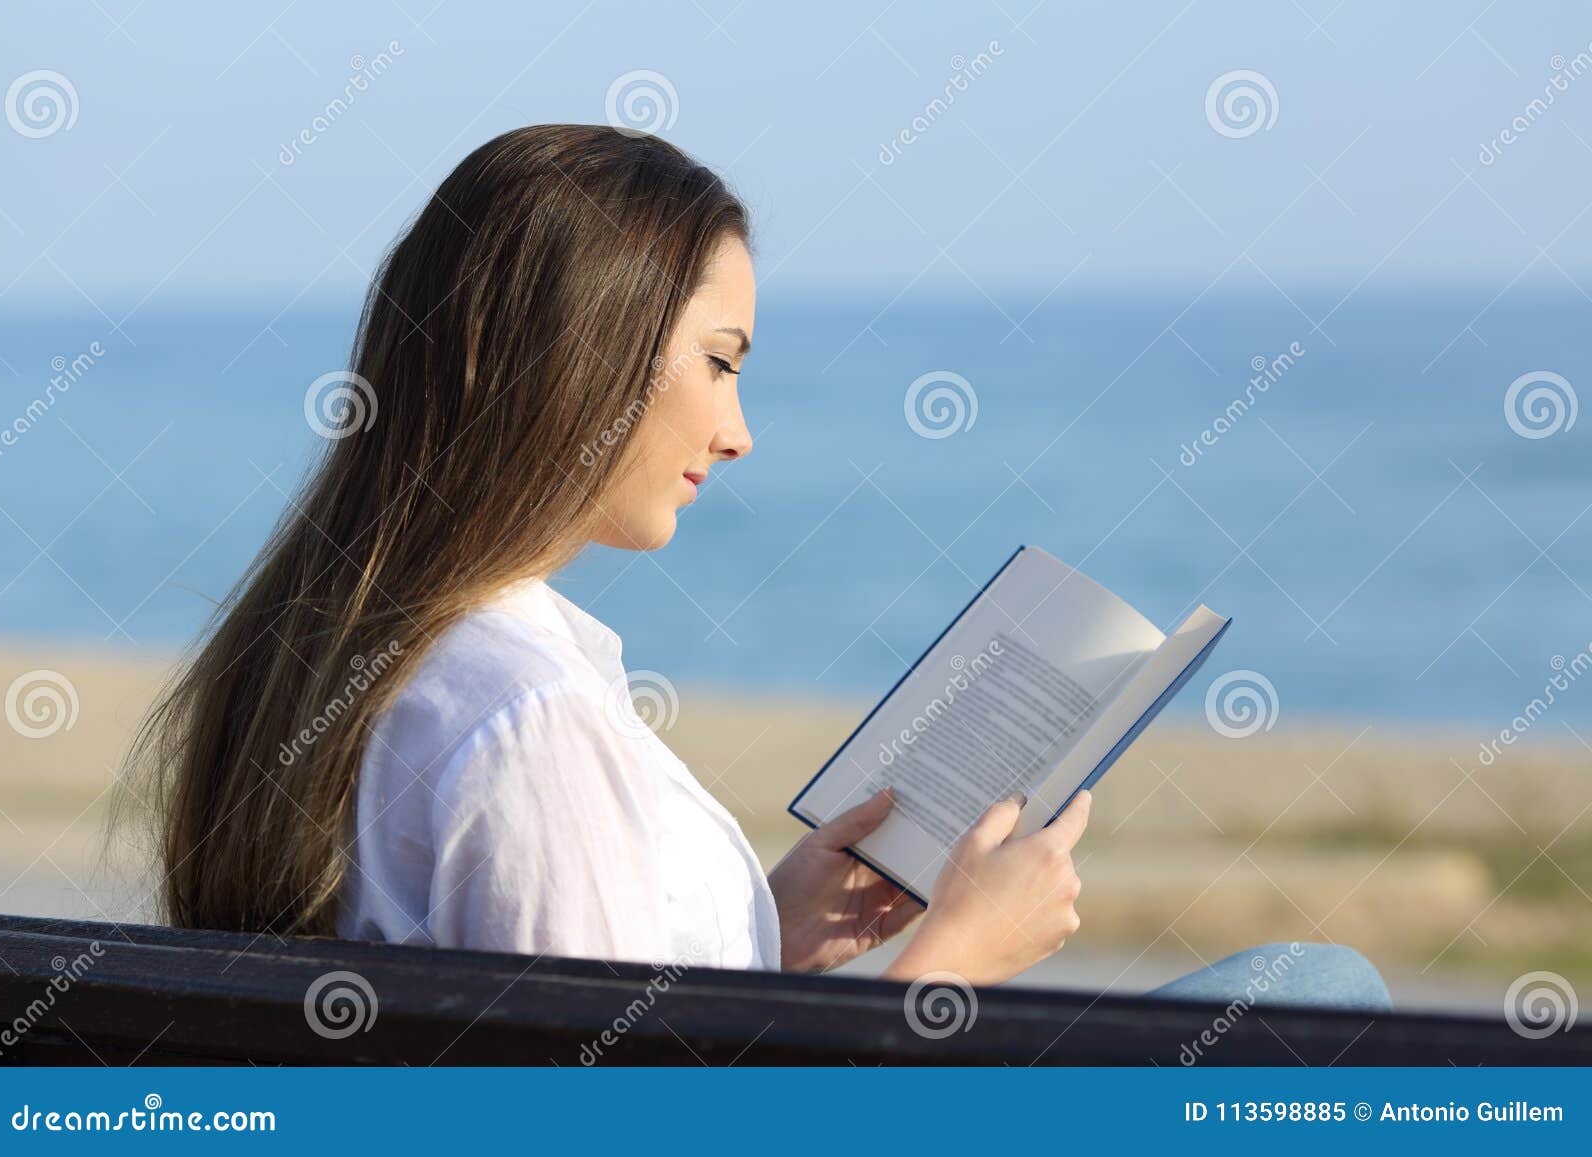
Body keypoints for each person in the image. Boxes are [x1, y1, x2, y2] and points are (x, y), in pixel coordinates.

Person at [125, 124, 1389, 1011]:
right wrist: (951, 959)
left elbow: (569, 1023)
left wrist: (763, 931)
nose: (736, 429)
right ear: (579, 354)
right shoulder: (524, 718)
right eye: (720, 361)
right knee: (1326, 998)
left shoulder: (339, 650)